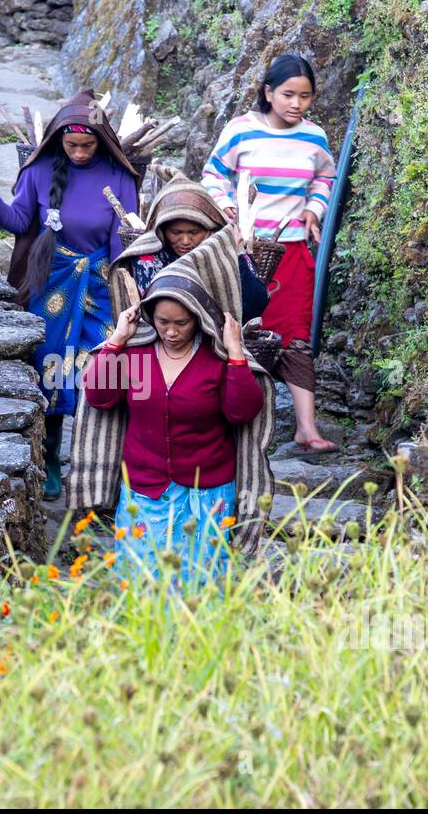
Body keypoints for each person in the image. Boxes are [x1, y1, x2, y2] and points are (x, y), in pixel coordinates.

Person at [0, 89, 140, 500]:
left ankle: (101, 466)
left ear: (103, 142)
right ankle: (51, 461)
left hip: (99, 281)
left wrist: (129, 293)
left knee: (103, 367)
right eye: (71, 144)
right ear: (59, 140)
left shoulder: (120, 177)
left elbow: (123, 239)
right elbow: (21, 219)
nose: (79, 153)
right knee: (50, 366)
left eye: (88, 145)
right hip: (52, 280)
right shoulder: (39, 171)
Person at [69, 226, 278, 574]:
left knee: (199, 585)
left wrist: (237, 351)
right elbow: (99, 396)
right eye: (163, 322)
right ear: (150, 316)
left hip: (206, 495)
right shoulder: (137, 357)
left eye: (181, 323)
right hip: (144, 494)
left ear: (197, 318)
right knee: (142, 583)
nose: (170, 331)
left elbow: (242, 411)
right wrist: (118, 338)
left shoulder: (216, 361)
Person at [201, 53, 339, 453]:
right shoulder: (241, 130)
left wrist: (314, 209)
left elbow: (325, 177)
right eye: (288, 95)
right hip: (242, 248)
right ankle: (223, 421)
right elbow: (213, 173)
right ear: (268, 93)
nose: (297, 104)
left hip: (291, 249)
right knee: (232, 329)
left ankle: (306, 429)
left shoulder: (314, 137)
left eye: (306, 96)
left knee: (294, 335)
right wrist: (227, 204)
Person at [115, 167, 269, 326]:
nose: (185, 240)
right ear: (162, 230)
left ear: (210, 229)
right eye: (176, 232)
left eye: (194, 232)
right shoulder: (149, 259)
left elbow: (256, 306)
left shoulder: (227, 251)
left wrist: (237, 259)